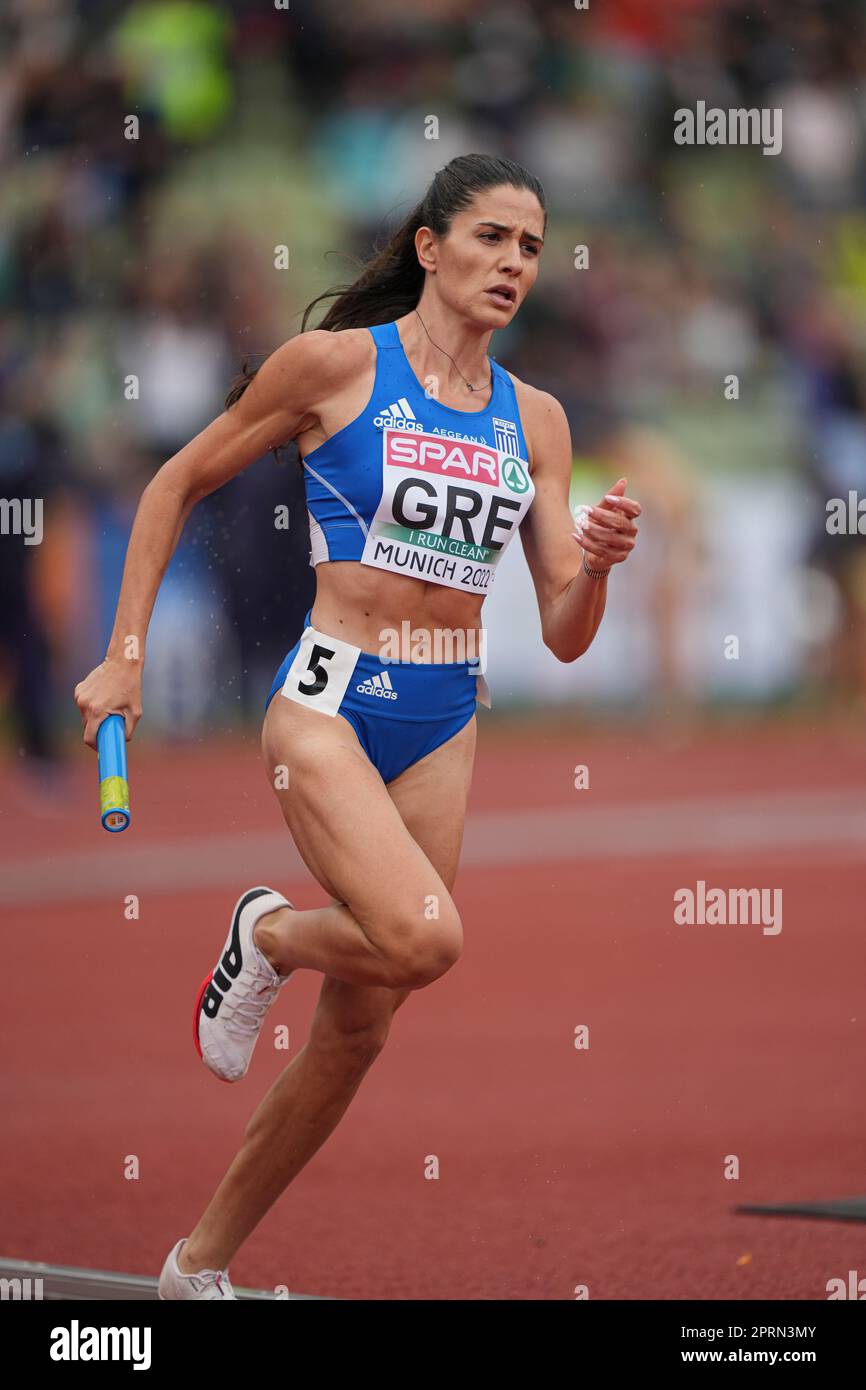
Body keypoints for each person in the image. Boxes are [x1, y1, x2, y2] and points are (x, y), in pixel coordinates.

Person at [73, 153, 640, 1300]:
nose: (512, 264)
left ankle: (197, 1266)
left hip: (442, 715)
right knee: (428, 939)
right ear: (430, 249)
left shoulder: (535, 419)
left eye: (529, 247)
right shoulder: (334, 367)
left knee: (361, 1030)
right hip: (330, 702)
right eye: (489, 238)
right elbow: (172, 483)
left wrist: (600, 566)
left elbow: (566, 629)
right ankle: (268, 933)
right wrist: (123, 655)